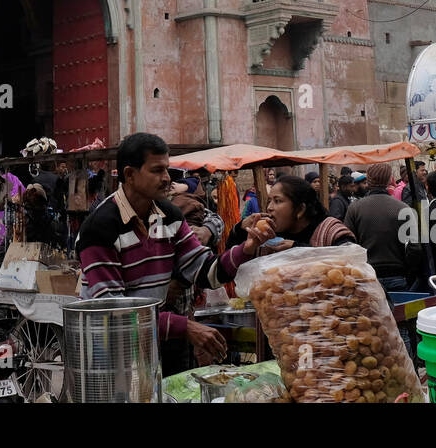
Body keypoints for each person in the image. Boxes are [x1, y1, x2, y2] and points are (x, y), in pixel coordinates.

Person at [77, 132, 274, 357]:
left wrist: (246, 249)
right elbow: (113, 309)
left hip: (149, 343)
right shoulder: (99, 227)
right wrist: (184, 326)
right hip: (105, 350)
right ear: (130, 174)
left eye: (166, 169)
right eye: (157, 170)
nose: (167, 178)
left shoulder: (169, 216)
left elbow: (204, 271)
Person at [344, 163, 414, 294]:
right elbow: (414, 247)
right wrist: (409, 272)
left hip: (365, 275)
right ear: (388, 180)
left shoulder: (355, 208)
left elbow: (347, 244)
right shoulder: (403, 208)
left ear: (369, 180)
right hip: (397, 275)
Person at [262, 175, 357, 248]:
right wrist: (253, 243)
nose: (269, 208)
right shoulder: (269, 236)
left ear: (300, 209)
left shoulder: (331, 231)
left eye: (277, 201)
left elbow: (350, 258)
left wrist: (298, 248)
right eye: (269, 201)